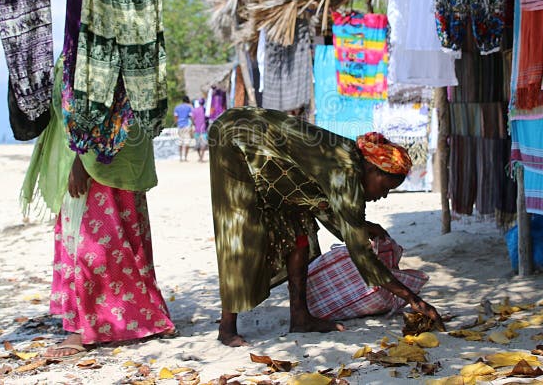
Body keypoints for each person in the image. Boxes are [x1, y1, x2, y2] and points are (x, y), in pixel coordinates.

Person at [209, 107, 444, 346]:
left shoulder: (353, 163)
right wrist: (413, 298)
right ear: (372, 169)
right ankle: (227, 327)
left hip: (273, 165)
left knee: (300, 233)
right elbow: (359, 252)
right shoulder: (346, 171)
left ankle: (300, 317)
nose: (383, 196)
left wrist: (361, 225)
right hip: (234, 137)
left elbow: (331, 207)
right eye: (385, 187)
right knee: (241, 231)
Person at [21, 59, 175, 357]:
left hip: (99, 157)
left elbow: (108, 102)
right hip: (110, 156)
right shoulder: (94, 46)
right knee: (112, 240)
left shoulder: (100, 47)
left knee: (94, 243)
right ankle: (118, 320)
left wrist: (81, 157)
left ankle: (83, 329)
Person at [174, 96, 195, 162]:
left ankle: (180, 158)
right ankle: (185, 158)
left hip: (180, 126)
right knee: (187, 142)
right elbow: (191, 117)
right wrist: (193, 124)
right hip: (186, 126)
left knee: (180, 142)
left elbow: (175, 117)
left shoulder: (177, 107)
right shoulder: (189, 107)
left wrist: (177, 123)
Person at [191, 98, 208, 162]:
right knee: (203, 144)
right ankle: (201, 157)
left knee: (197, 145)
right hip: (204, 129)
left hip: (197, 130)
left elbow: (192, 119)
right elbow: (207, 119)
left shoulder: (194, 110)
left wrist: (194, 125)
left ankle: (200, 157)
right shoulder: (205, 110)